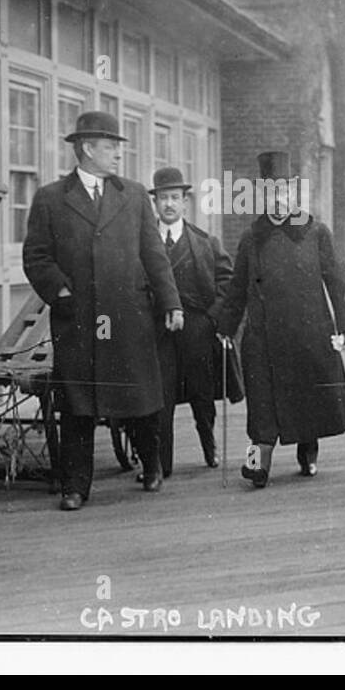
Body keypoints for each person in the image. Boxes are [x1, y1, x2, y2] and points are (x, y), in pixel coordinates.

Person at [22, 110, 183, 511]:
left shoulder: (132, 196)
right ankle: (75, 487)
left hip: (128, 316)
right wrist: (60, 292)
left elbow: (154, 254)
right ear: (87, 149)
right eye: (110, 147)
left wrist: (171, 302)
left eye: (117, 148)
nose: (117, 155)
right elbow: (36, 256)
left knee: (140, 398)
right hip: (77, 318)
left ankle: (151, 465)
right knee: (77, 405)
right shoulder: (51, 198)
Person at [214, 151, 345, 487]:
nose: (278, 199)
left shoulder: (315, 232)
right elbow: (237, 287)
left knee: (306, 400)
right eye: (270, 192)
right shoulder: (252, 237)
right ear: (262, 195)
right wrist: (225, 327)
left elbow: (335, 280)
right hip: (262, 337)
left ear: (294, 194)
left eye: (284, 192)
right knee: (261, 407)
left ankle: (308, 452)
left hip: (308, 334)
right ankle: (257, 463)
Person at [149, 166, 234, 476]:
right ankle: (161, 463)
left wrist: (211, 320)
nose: (169, 204)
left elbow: (228, 282)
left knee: (201, 393)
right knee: (161, 395)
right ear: (154, 203)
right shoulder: (144, 243)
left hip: (197, 328)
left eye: (175, 198)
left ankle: (208, 445)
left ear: (185, 202)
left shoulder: (204, 242)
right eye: (162, 198)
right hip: (158, 330)